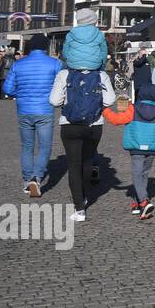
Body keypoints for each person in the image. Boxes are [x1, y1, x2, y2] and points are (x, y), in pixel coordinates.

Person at [50, 54, 117, 222]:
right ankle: (85, 195)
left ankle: (79, 208)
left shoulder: (64, 74)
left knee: (73, 165)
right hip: (94, 125)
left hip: (69, 124)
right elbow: (110, 100)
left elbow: (54, 101)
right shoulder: (101, 75)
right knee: (87, 162)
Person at [2, 34, 62, 198]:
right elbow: (62, 86)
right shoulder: (55, 63)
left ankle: (27, 180)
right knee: (44, 146)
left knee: (27, 146)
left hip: (24, 110)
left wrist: (20, 94)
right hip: (45, 110)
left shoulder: (18, 64)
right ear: (46, 47)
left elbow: (7, 89)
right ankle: (37, 177)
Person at [101, 82, 155, 220]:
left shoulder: (134, 108)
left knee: (137, 174)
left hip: (136, 146)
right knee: (143, 174)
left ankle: (144, 201)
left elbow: (117, 120)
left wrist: (104, 110)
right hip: (151, 148)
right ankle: (137, 203)